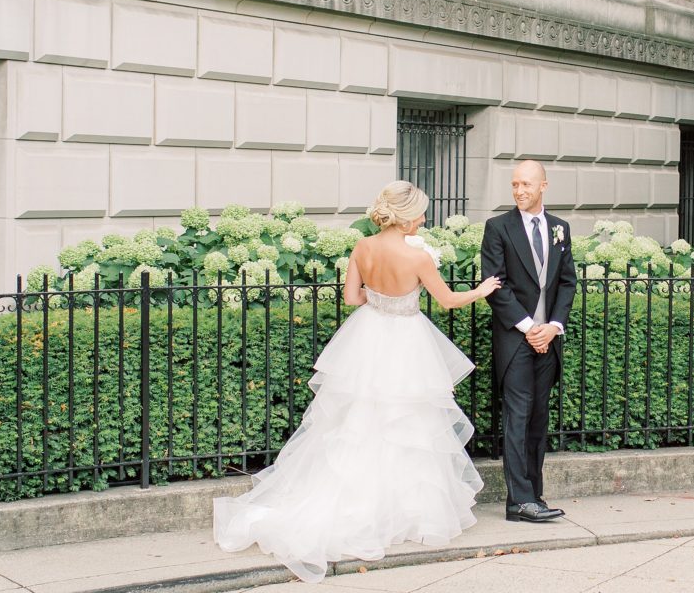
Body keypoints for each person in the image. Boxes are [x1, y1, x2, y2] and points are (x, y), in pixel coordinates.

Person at [213, 180, 501, 583]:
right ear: (405, 216)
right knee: (406, 422)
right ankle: (402, 512)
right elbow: (448, 300)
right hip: (405, 341)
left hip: (367, 334)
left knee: (358, 421)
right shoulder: (417, 256)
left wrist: (381, 299)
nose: (423, 219)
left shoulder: (363, 247)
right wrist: (483, 289)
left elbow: (352, 298)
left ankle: (359, 506)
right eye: (420, 212)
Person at [480, 159, 577, 523]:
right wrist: (528, 327)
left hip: (548, 340)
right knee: (518, 417)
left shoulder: (560, 229)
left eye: (526, 185)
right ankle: (519, 501)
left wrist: (552, 326)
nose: (519, 191)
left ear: (543, 186)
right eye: (515, 185)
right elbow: (495, 284)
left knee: (538, 418)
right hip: (516, 340)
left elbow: (567, 282)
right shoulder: (498, 227)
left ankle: (533, 493)